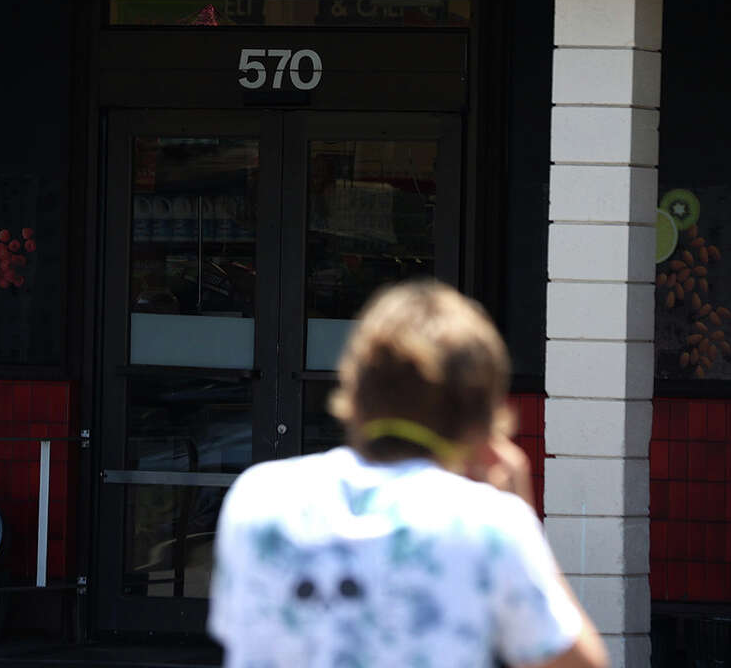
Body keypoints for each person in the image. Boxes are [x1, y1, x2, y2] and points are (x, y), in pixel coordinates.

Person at [209, 279, 609, 668]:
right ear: (481, 419)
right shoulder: (489, 524)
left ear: (357, 388)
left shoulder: (259, 497)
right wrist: (521, 515)